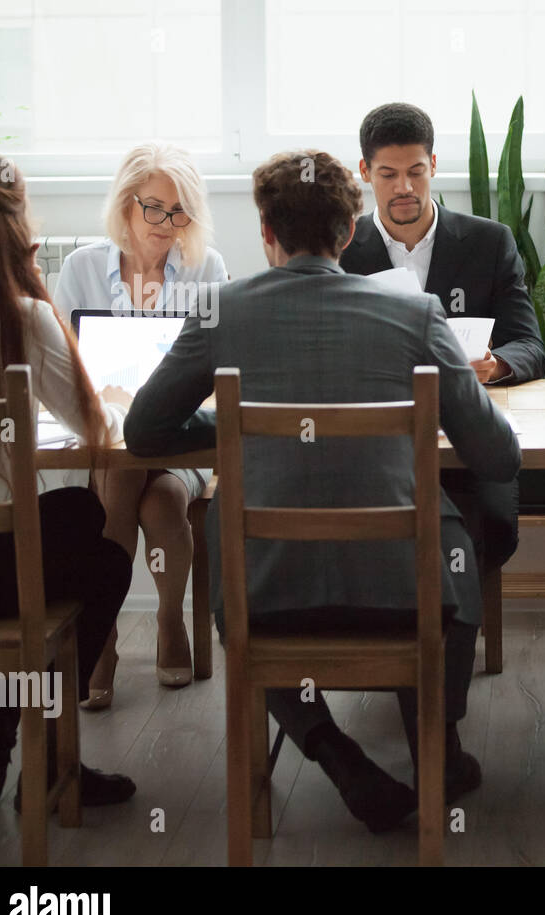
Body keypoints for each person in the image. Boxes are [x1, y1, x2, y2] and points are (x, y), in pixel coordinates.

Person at [125, 150, 521, 832]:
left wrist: (232, 423)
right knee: (451, 546)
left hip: (270, 591)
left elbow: (144, 430)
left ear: (266, 233)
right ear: (349, 233)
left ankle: (334, 752)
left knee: (239, 567)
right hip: (400, 586)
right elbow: (496, 455)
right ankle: (439, 746)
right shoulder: (418, 314)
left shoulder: (220, 311)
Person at [0, 154, 135, 811]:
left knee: (76, 516)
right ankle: (29, 742)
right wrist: (36, 289)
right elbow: (95, 427)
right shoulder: (18, 318)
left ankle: (4, 717)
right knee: (101, 550)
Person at [53, 142, 229, 707]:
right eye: (154, 208)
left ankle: (128, 632)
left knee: (149, 491)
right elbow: (62, 365)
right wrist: (101, 395)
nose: (165, 224)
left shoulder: (207, 267)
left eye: (179, 212)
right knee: (141, 492)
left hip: (180, 441)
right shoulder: (82, 268)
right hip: (106, 441)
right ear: (126, 205)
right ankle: (146, 629)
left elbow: (216, 369)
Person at [340, 103, 545, 582]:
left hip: (467, 441)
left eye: (415, 171)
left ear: (433, 165)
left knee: (491, 526)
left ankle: (448, 627)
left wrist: (495, 364)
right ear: (365, 172)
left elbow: (531, 345)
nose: (405, 187)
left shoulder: (489, 242)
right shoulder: (342, 251)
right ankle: (405, 627)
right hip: (376, 443)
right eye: (388, 174)